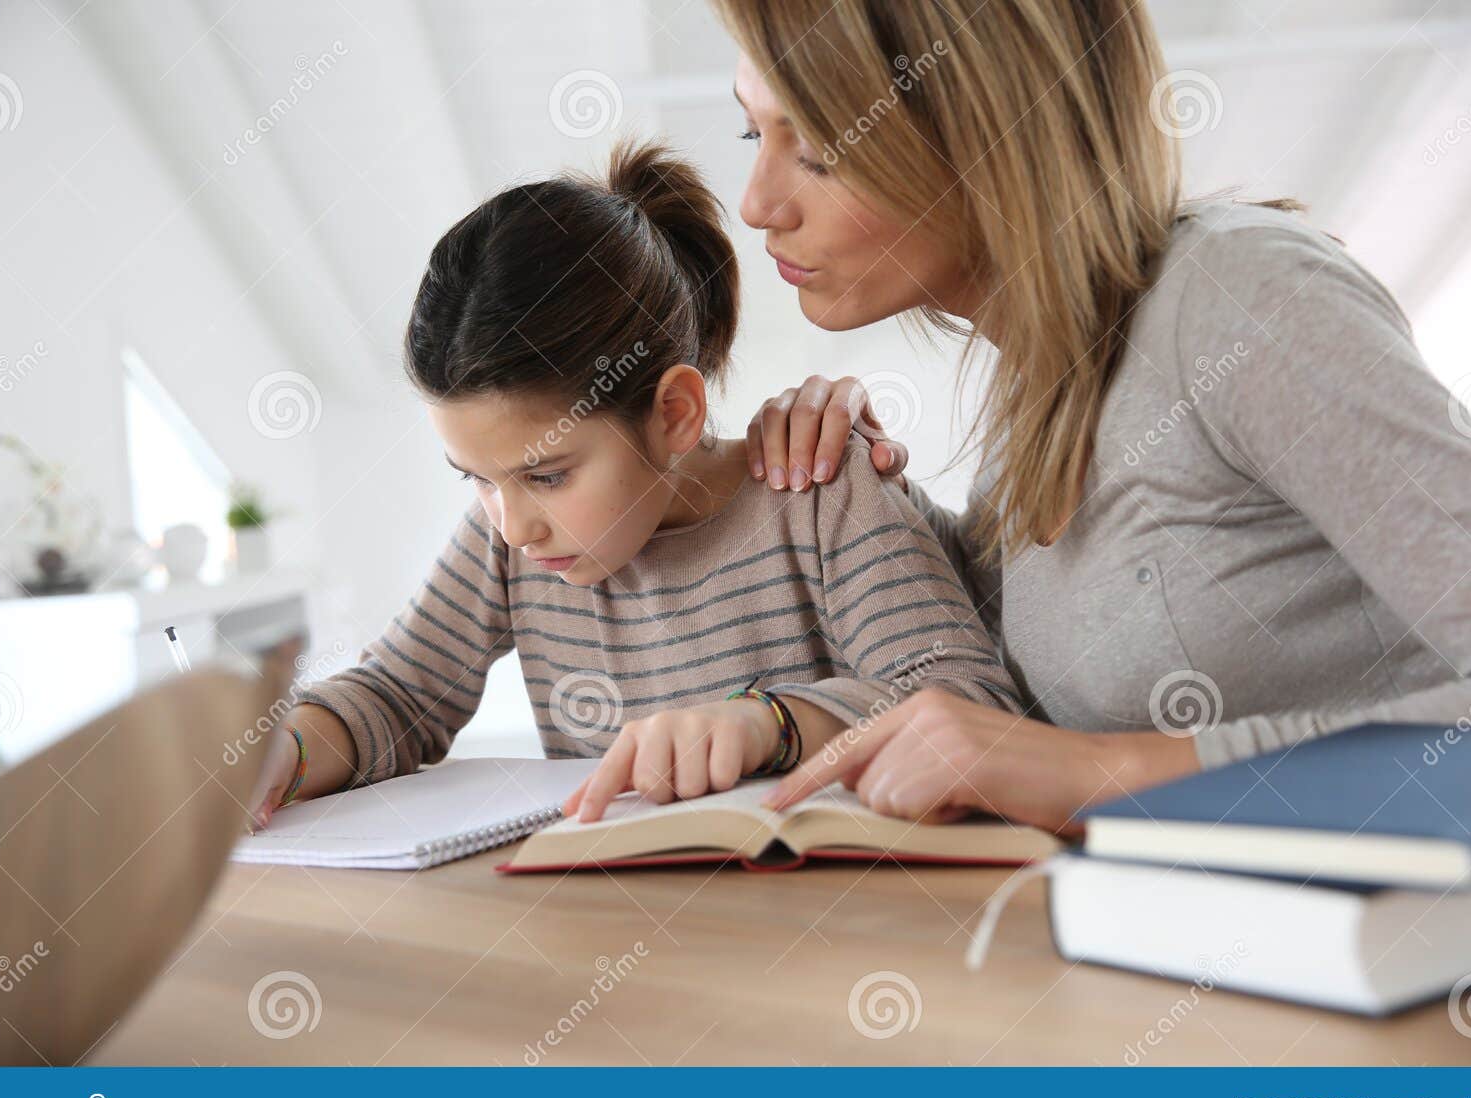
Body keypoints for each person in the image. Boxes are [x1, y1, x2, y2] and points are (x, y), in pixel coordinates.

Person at [711, 0, 1471, 832]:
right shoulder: (1039, 384)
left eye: (817, 151)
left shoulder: (1239, 299)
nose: (757, 204)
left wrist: (1102, 774)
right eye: (755, 135)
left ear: (988, 128)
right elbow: (980, 695)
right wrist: (852, 481)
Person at [246, 139, 1019, 829]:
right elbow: (394, 694)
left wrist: (767, 724)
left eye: (547, 474)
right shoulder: (508, 543)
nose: (513, 523)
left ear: (675, 413)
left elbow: (970, 703)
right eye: (477, 479)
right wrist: (289, 749)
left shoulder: (821, 490)